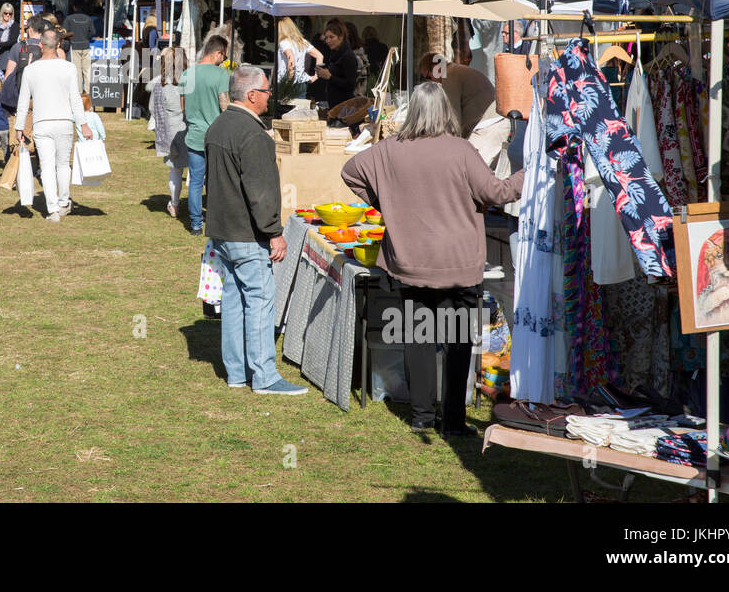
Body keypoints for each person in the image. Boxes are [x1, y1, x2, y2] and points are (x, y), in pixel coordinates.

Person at [340, 81, 524, 434]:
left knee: (419, 339)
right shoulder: (460, 150)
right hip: (457, 264)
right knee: (456, 342)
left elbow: (350, 172)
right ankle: (453, 422)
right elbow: (496, 192)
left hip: (410, 261)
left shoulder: (389, 150)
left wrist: (387, 205)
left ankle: (423, 417)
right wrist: (529, 172)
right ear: (445, 113)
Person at [205, 65, 305, 395]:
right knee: (260, 302)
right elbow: (260, 191)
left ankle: (236, 373)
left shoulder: (218, 126)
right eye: (265, 91)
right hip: (247, 235)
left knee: (233, 302)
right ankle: (264, 376)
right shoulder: (253, 134)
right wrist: (274, 232)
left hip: (222, 232)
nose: (269, 97)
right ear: (251, 95)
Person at [15, 28, 93, 222]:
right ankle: (63, 202)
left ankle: (54, 209)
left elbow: (23, 101)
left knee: (48, 167)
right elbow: (75, 98)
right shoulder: (68, 68)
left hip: (43, 123)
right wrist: (83, 124)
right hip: (64, 122)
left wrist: (19, 127)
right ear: (58, 45)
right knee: (62, 165)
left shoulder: (31, 70)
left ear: (41, 45)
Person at [178, 34, 230, 236]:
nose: (223, 61)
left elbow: (183, 108)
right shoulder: (220, 75)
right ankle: (216, 221)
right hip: (216, 136)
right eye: (223, 57)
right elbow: (224, 107)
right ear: (218, 53)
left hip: (194, 135)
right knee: (216, 182)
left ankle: (196, 225)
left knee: (195, 182)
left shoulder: (186, 74)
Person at [418, 51, 499, 138]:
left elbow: (453, 118)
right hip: (490, 122)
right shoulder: (455, 71)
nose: (432, 81)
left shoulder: (450, 76)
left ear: (435, 68)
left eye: (428, 77)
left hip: (487, 126)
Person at [149, 45, 189, 220]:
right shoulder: (190, 80)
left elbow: (152, 108)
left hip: (171, 131)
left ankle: (175, 203)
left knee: (176, 171)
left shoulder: (161, 83)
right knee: (196, 171)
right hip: (189, 127)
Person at [312, 20, 365, 113]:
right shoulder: (334, 54)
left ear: (341, 37)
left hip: (344, 108)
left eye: (331, 37)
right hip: (334, 105)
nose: (328, 41)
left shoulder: (348, 56)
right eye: (326, 37)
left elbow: (350, 85)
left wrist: (330, 77)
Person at [276, 17, 322, 90]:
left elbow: (291, 58)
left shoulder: (284, 42)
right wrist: (316, 76)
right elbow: (319, 56)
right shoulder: (302, 41)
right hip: (301, 82)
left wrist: (289, 80)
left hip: (286, 83)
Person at [63, 1, 96, 92]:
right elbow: (93, 32)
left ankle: (79, 93)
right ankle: (88, 92)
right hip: (86, 46)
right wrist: (86, 36)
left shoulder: (69, 18)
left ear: (74, 7)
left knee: (77, 71)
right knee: (87, 70)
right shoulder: (88, 18)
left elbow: (64, 32)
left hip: (74, 46)